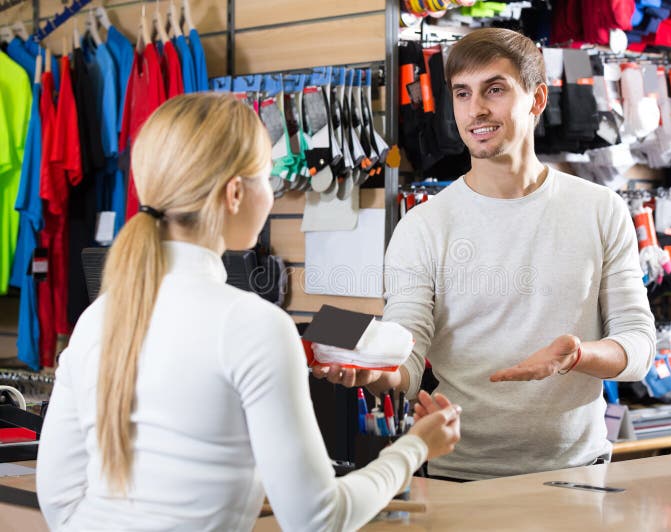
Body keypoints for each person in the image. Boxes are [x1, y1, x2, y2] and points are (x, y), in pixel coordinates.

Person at [36, 93, 462, 531]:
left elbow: (59, 501)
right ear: (235, 192)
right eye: (267, 177)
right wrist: (414, 447)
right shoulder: (253, 325)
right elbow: (318, 519)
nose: (273, 192)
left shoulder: (98, 318)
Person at [313, 28, 656, 481]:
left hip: (577, 472)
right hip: (460, 475)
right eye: (462, 93)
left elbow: (639, 345)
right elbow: (408, 362)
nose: (475, 110)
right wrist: (371, 371)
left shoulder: (601, 210)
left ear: (536, 100)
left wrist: (577, 355)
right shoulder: (423, 226)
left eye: (494, 90)